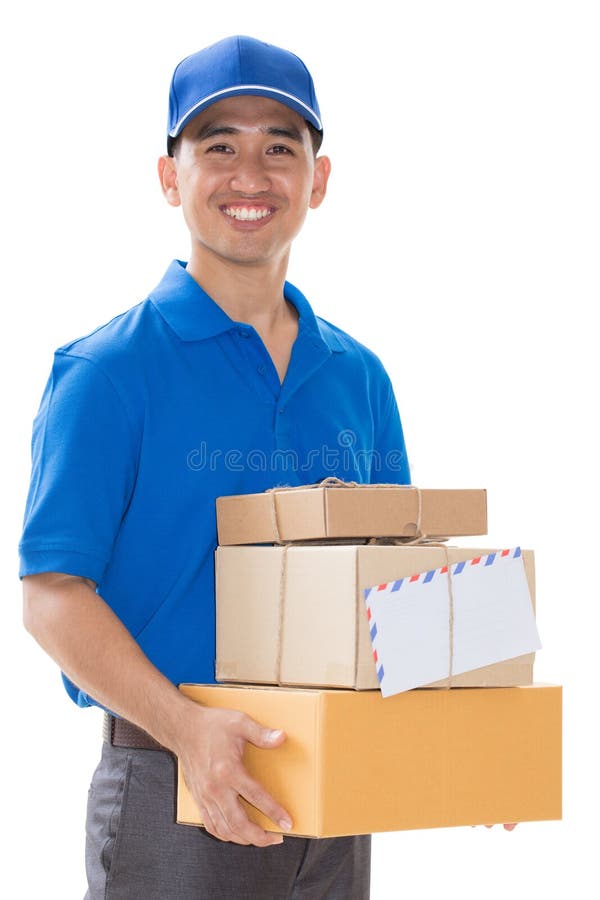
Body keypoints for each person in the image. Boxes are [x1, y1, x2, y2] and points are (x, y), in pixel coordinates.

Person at [19, 35, 413, 899]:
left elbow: (395, 580)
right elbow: (51, 595)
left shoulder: (357, 377)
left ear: (318, 179)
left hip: (338, 784)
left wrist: (456, 734)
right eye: (218, 147)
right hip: (171, 785)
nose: (251, 174)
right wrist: (187, 729)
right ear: (170, 178)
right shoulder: (107, 372)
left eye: (280, 146)